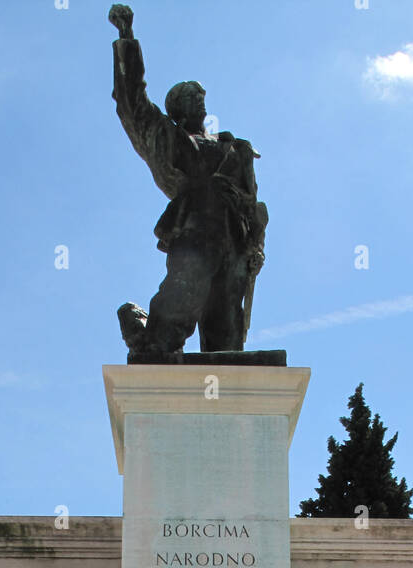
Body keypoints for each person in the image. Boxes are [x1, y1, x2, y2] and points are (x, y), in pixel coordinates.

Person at [108, 3, 267, 359]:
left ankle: (223, 370)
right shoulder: (172, 138)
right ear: (177, 109)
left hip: (235, 234)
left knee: (227, 327)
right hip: (195, 226)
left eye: (201, 96)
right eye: (191, 97)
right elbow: (132, 105)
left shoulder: (235, 148)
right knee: (185, 292)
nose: (200, 100)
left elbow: (252, 201)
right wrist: (127, 40)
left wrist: (257, 244)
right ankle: (153, 341)